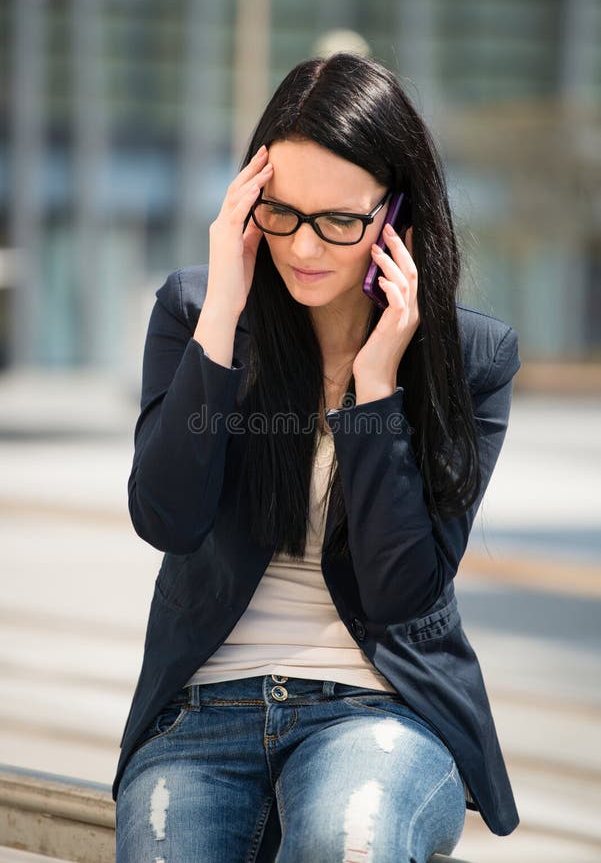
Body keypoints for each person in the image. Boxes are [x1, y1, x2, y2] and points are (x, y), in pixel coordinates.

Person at [114, 52, 521, 862]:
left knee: (344, 841)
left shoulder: (467, 358)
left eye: (338, 220)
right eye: (280, 211)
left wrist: (374, 389)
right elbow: (167, 517)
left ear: (399, 215)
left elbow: (400, 588)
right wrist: (224, 313)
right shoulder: (198, 313)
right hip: (201, 712)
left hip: (380, 711)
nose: (302, 246)